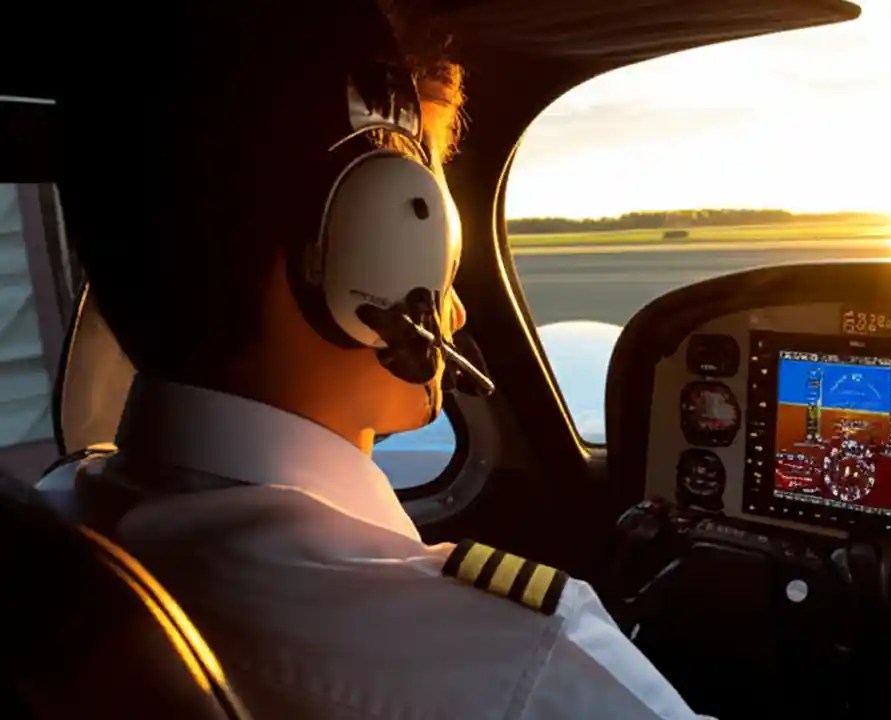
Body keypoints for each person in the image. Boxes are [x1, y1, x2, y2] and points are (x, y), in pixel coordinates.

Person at [44, 1, 703, 718]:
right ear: (370, 248)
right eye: (437, 247)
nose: (454, 311)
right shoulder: (525, 670)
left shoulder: (51, 527)